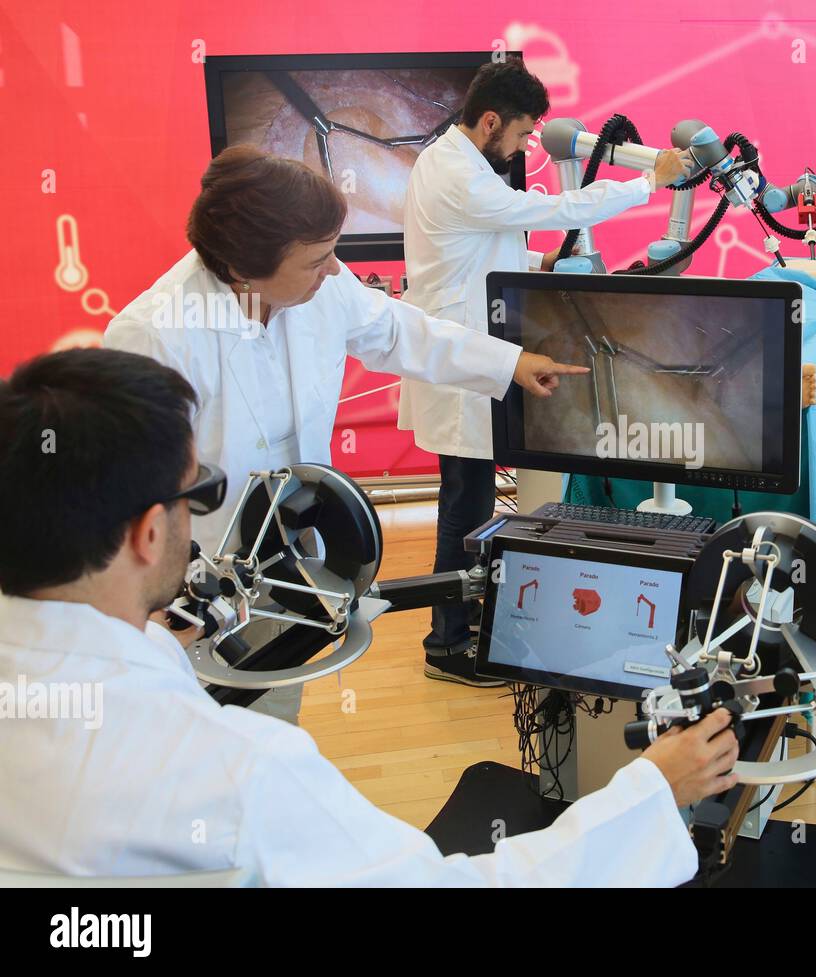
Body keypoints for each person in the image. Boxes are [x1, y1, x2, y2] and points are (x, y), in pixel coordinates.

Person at [0, 348, 741, 886]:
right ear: (147, 533)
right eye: (197, 494)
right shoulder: (243, 770)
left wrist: (153, 640)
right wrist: (653, 789)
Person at [104, 146, 586, 721]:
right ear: (241, 269)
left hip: (296, 560)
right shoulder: (154, 336)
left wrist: (509, 364)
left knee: (274, 721)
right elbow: (132, 499)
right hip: (192, 589)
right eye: (317, 260)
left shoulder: (319, 288)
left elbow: (398, 331)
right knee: (195, 734)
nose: (334, 271)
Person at [398, 58, 690, 686]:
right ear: (491, 120)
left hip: (472, 351)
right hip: (460, 358)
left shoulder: (461, 166)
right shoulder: (457, 174)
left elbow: (489, 245)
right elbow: (545, 212)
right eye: (524, 132)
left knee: (471, 497)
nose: (527, 145)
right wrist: (651, 182)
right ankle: (446, 645)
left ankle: (468, 621)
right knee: (465, 504)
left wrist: (548, 260)